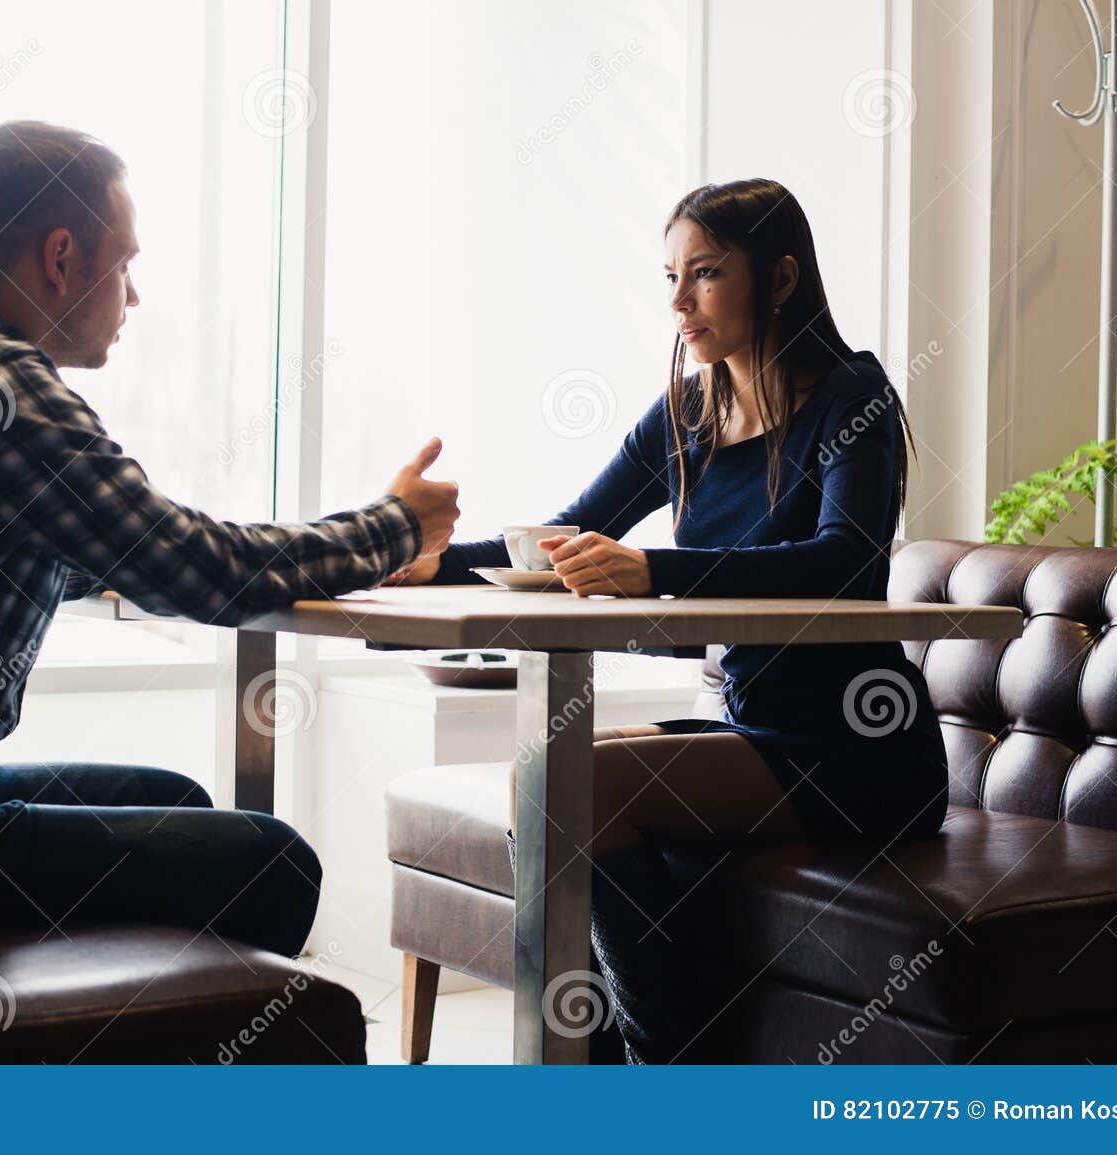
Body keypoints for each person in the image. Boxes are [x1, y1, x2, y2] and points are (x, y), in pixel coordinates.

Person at [0, 121, 459, 959]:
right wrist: (397, 526)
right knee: (273, 865)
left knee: (177, 800)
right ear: (62, 257)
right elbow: (205, 571)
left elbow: (84, 548)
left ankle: (139, 1032)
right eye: (127, 263)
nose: (133, 296)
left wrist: (150, 552)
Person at [391, 177, 948, 1062]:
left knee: (570, 787)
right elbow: (566, 536)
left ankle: (671, 1081)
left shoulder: (851, 396)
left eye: (705, 274)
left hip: (858, 748)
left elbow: (847, 563)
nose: (679, 302)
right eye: (671, 277)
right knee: (549, 774)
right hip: (753, 727)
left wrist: (654, 570)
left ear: (781, 277)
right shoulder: (689, 409)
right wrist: (425, 558)